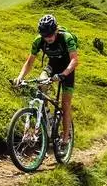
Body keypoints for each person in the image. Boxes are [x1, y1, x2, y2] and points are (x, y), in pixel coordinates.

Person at [15, 14, 78, 149]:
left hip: (67, 69)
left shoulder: (66, 37)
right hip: (52, 65)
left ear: (55, 30)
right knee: (41, 83)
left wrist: (63, 74)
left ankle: (66, 138)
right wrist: (20, 76)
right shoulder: (39, 40)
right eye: (45, 35)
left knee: (65, 104)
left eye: (50, 34)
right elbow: (30, 61)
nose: (48, 38)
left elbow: (74, 60)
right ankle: (47, 119)